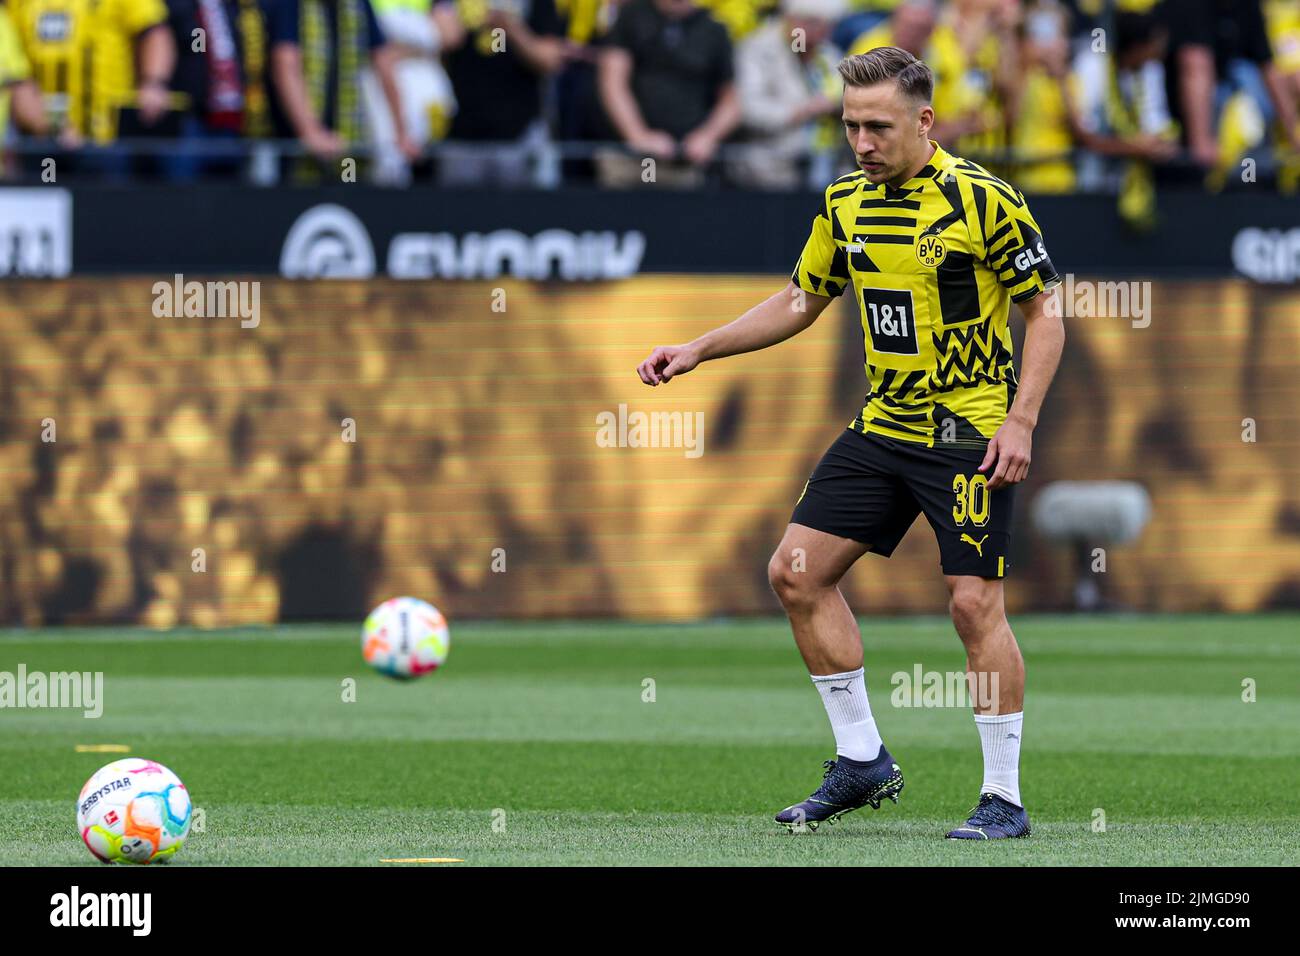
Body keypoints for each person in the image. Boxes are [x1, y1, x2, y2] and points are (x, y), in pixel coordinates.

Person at [636, 46, 1065, 839]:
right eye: (849, 126)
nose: (861, 142)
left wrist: (1022, 418)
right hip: (883, 425)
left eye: (878, 126)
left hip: (966, 430)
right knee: (795, 573)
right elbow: (802, 299)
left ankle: (1003, 798)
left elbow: (1046, 312)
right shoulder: (844, 204)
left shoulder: (984, 201)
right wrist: (699, 347)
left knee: (973, 605)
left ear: (924, 120)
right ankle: (862, 759)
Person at [597, 0, 739, 187]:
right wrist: (638, 135)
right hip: (627, 160)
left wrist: (708, 136)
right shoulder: (631, 17)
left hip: (686, 166)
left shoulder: (714, 28)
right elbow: (612, 82)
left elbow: (731, 101)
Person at [731, 0, 848, 189]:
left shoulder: (828, 55)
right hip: (770, 166)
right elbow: (749, 109)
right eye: (813, 23)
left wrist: (838, 106)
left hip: (826, 166)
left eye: (828, 25)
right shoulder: (758, 49)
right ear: (791, 19)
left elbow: (845, 97)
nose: (822, 31)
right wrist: (803, 111)